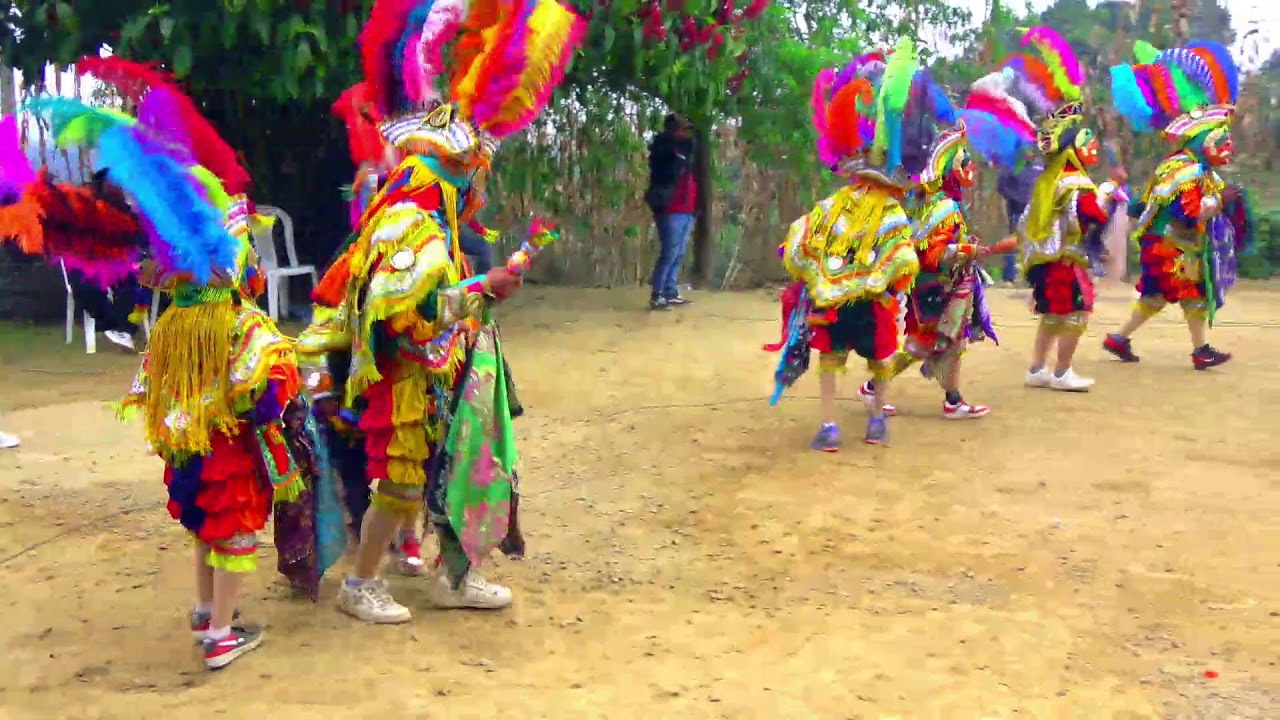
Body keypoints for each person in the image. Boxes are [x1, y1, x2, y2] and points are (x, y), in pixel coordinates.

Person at [297, 0, 583, 624]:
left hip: (442, 368)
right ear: (457, 172)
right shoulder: (410, 222)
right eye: (477, 174)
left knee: (457, 469)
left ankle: (457, 572)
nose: (483, 187)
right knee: (403, 481)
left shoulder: (433, 220)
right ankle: (361, 584)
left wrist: (485, 281)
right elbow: (410, 312)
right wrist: (486, 288)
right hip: (406, 376)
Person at [766, 42, 921, 449]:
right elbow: (904, 262)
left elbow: (797, 245)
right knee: (882, 358)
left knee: (831, 358)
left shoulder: (832, 204)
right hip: (872, 302)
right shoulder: (891, 211)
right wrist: (890, 285)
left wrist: (818, 278)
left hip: (832, 300)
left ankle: (830, 426)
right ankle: (875, 422)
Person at [855, 76, 1022, 421]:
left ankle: (948, 398)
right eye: (965, 163)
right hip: (936, 287)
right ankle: (881, 388)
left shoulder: (943, 203)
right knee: (924, 344)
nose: (971, 168)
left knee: (945, 344)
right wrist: (969, 251)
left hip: (940, 287)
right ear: (951, 172)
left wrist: (968, 249)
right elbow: (933, 252)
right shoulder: (943, 206)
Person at [983, 27, 1120, 392]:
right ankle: (1061, 372)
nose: (1091, 149)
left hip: (1047, 262)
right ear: (1074, 148)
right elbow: (1090, 217)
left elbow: (1030, 224)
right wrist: (1108, 194)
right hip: (1064, 263)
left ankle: (1037, 369)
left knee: (1050, 316)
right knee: (1076, 314)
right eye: (1086, 142)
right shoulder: (1075, 182)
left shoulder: (1047, 182)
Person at [1102, 39, 1240, 370]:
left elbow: (1141, 203)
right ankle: (1197, 350)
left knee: (1167, 295)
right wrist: (1221, 201)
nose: (1227, 148)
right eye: (1222, 143)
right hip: (1169, 246)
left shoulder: (1185, 164)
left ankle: (1122, 340)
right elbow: (1190, 211)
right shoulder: (1187, 169)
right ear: (1204, 142)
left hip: (1169, 245)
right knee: (1180, 293)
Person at [645, 113, 697, 310]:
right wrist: (677, 156)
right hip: (670, 207)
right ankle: (657, 293)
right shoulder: (663, 150)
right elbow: (667, 173)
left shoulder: (685, 149)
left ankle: (670, 291)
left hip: (687, 208)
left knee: (680, 252)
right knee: (669, 251)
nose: (686, 133)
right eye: (682, 129)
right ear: (672, 130)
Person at [995, 158, 1041, 284]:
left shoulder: (1039, 165)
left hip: (1037, 212)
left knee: (1036, 244)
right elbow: (1001, 186)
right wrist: (1017, 198)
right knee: (1014, 242)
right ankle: (1009, 277)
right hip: (1017, 211)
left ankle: (1034, 278)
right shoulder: (1011, 166)